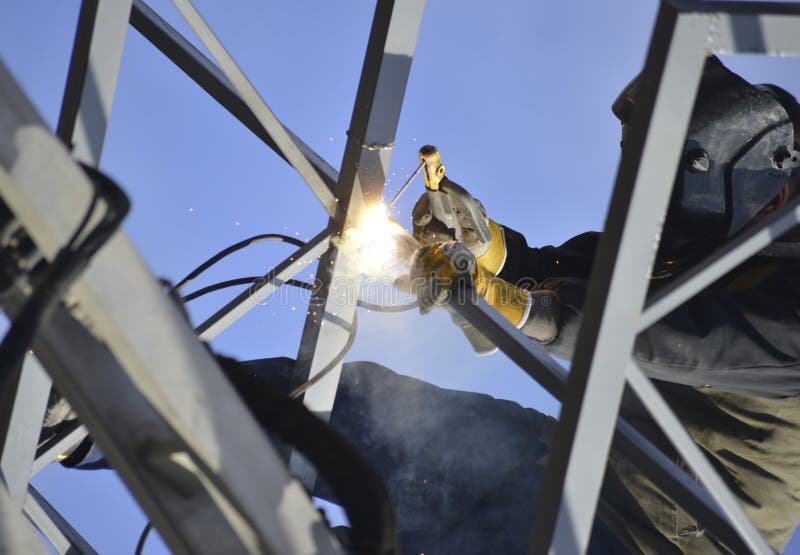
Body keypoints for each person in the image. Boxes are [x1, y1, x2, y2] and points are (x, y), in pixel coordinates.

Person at [50, 56, 800, 553]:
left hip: (645, 543)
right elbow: (567, 271)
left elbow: (681, 339)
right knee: (353, 406)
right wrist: (482, 242)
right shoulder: (700, 244)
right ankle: (94, 412)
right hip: (563, 461)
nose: (660, 224)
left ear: (766, 186)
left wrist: (528, 309)